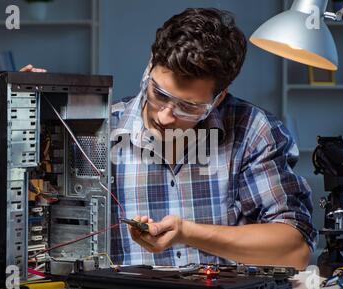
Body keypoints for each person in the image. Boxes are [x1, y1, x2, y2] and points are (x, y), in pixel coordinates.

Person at [23, 8, 317, 270]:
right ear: (149, 67)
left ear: (218, 100)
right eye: (159, 94)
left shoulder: (253, 131)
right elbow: (34, 222)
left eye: (188, 107)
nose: (165, 116)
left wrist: (187, 233)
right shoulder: (93, 130)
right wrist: (27, 116)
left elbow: (293, 251)